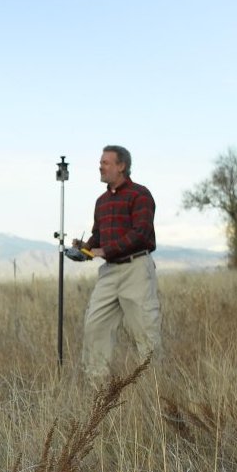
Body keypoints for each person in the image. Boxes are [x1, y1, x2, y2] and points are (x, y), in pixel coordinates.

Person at [72, 145, 162, 384]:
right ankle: (98, 391)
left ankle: (153, 389)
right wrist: (85, 247)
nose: (100, 166)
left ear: (121, 166)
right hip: (109, 272)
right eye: (101, 162)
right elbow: (98, 236)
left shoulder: (140, 195)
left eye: (105, 162)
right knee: (95, 326)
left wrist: (105, 250)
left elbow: (140, 234)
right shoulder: (101, 201)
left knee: (145, 332)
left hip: (136, 269)